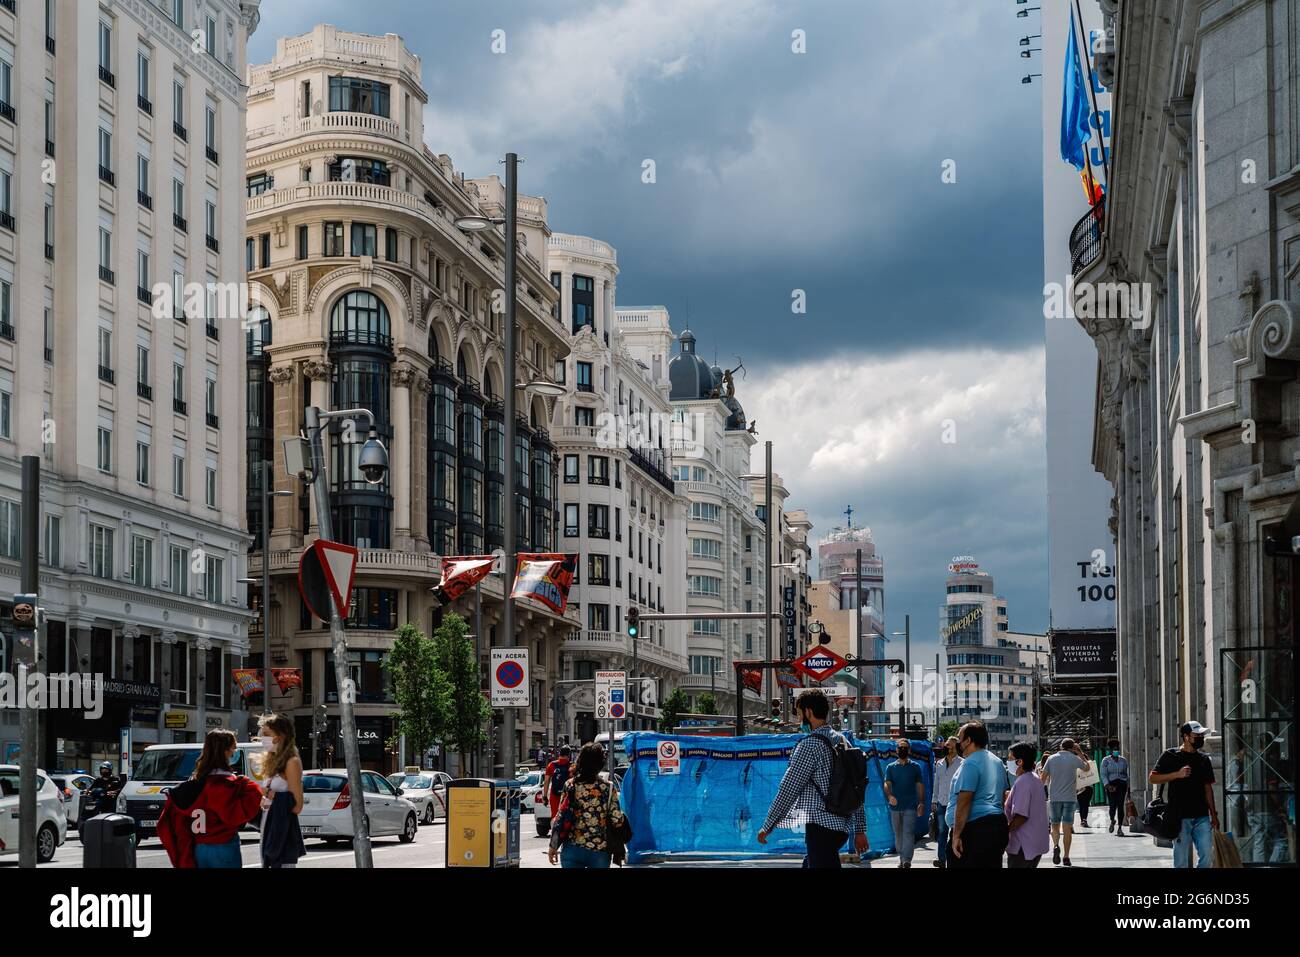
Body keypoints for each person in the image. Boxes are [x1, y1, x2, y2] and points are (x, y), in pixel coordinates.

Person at [758, 689, 868, 868]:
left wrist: (768, 825)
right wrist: (860, 829)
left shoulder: (809, 745)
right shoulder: (842, 741)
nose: (799, 719)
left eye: (800, 714)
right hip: (841, 826)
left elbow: (789, 788)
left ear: (809, 712)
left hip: (820, 825)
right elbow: (857, 787)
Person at [156, 729, 263, 868]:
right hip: (225, 846)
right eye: (233, 748)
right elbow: (238, 814)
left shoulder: (190, 787)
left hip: (198, 848)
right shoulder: (229, 786)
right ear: (225, 751)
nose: (234, 751)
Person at [1149, 720, 1218, 868]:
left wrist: (1214, 814)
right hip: (1179, 817)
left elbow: (1208, 788)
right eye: (1196, 735)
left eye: (1201, 735)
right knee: (1180, 859)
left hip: (1202, 816)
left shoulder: (1204, 759)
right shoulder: (1170, 755)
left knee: (1207, 854)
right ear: (1186, 737)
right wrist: (1177, 774)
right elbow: (1152, 778)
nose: (1200, 738)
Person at [546, 743, 628, 868]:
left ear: (580, 761)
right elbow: (617, 820)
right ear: (600, 764)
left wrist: (553, 846)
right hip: (599, 850)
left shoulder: (570, 785)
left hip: (572, 848)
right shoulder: (608, 787)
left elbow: (561, 816)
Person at [946, 720, 1009, 868]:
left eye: (959, 738)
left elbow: (964, 801)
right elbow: (1002, 796)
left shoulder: (970, 764)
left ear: (968, 741)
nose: (958, 743)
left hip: (974, 831)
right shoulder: (997, 761)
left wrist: (956, 835)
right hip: (996, 825)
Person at [258, 714, 305, 869]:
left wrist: (270, 794)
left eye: (266, 734)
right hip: (269, 829)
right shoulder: (272, 761)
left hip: (283, 835)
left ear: (280, 736)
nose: (262, 738)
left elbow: (297, 806)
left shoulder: (292, 762)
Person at [1040, 737, 1090, 866]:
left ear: (1060, 746)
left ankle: (1056, 845)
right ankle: (1066, 857)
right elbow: (1087, 768)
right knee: (1067, 828)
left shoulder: (1051, 758)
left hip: (1055, 798)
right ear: (1072, 747)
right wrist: (1080, 753)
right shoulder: (1075, 759)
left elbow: (1042, 779)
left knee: (1055, 826)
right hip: (1070, 798)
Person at [1004, 742, 1050, 868]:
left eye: (1010, 758)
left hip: (1023, 846)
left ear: (1020, 762)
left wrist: (1004, 831)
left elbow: (1021, 816)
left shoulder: (1023, 782)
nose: (1008, 761)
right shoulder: (1034, 778)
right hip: (1034, 842)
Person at [883, 738, 925, 868]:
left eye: (905, 748)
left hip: (910, 806)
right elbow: (886, 783)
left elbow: (920, 786)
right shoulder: (890, 767)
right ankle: (902, 857)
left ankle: (907, 860)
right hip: (895, 806)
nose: (902, 750)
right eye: (900, 747)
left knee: (908, 832)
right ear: (896, 750)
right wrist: (889, 795)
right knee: (898, 833)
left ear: (909, 750)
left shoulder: (915, 767)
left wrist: (921, 802)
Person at [931, 736, 962, 869]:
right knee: (942, 830)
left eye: (949, 745)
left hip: (955, 803)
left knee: (955, 831)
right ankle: (941, 859)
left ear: (956, 747)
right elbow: (936, 783)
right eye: (946, 744)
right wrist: (934, 800)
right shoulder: (939, 763)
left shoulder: (962, 763)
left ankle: (954, 858)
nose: (946, 747)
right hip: (941, 802)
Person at [1100, 738, 1129, 835]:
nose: (1115, 751)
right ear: (1110, 750)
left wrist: (1128, 787)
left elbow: (1126, 773)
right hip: (1111, 785)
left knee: (1120, 805)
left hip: (1122, 784)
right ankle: (1112, 820)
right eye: (1113, 749)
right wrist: (1107, 785)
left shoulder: (1123, 760)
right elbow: (1103, 774)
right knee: (1112, 806)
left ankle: (1120, 827)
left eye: (1117, 749)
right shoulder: (1106, 761)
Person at [541, 745, 573, 819]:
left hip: (555, 795)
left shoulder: (551, 765)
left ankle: (555, 829)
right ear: (569, 754)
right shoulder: (572, 766)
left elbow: (546, 782)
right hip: (568, 796)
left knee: (555, 816)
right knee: (568, 817)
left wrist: (545, 796)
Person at [1075, 739, 1094, 828]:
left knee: (1082, 804)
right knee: (1085, 804)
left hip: (1081, 787)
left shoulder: (1075, 761)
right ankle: (1084, 820)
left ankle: (1083, 820)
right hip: (1087, 786)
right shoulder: (1087, 761)